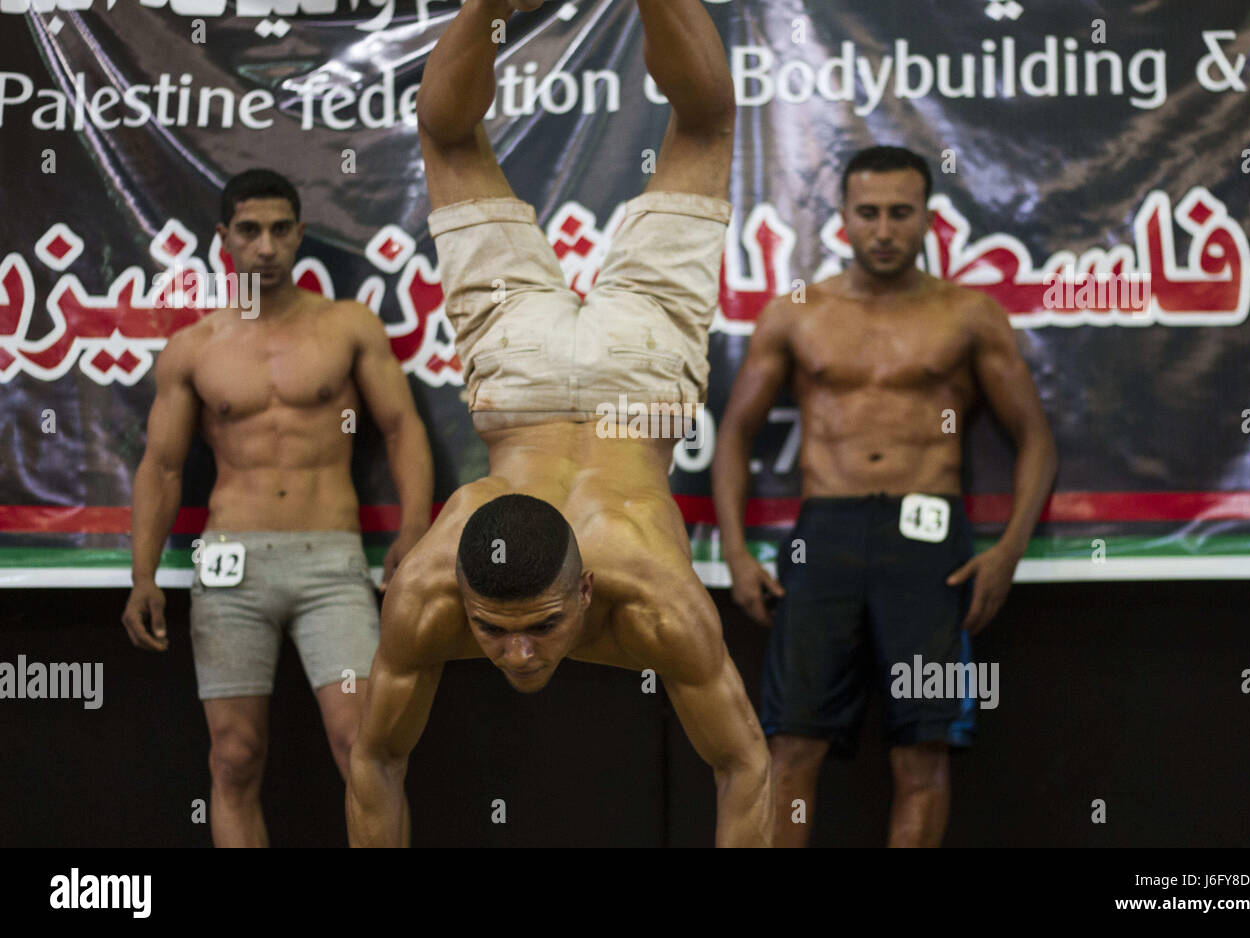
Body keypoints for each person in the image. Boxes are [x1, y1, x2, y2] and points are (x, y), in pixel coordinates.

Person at [345, 0, 773, 847]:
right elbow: (743, 768)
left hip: (534, 371)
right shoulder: (435, 593)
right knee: (705, 122)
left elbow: (376, 763)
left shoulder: (652, 597)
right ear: (461, 598)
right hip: (622, 369)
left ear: (587, 590)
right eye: (495, 630)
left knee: (459, 146)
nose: (521, 656)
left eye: (542, 626)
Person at [713, 146, 1058, 847]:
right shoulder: (795, 314)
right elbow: (733, 436)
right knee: (790, 748)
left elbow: (1037, 441)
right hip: (825, 536)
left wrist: (1009, 551)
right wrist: (735, 552)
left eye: (901, 213)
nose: (883, 229)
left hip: (929, 544)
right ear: (841, 218)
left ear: (928, 218)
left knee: (923, 753)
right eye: (867, 212)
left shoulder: (969, 315)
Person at [121, 169, 434, 846]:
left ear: (299, 233)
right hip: (233, 568)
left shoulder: (347, 326)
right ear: (224, 239)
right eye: (249, 230)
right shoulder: (194, 347)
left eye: (280, 229)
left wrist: (415, 530)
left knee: (364, 748)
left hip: (332, 564)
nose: (266, 246)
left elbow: (403, 428)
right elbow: (163, 467)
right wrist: (142, 576)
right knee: (234, 756)